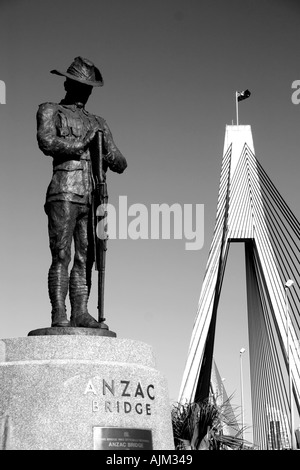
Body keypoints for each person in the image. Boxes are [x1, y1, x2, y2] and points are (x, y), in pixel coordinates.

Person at [36, 56, 127, 328]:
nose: (85, 91)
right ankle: (59, 313)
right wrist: (84, 143)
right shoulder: (50, 110)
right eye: (80, 85)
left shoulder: (99, 122)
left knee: (86, 257)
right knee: (61, 254)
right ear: (67, 83)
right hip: (63, 191)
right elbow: (47, 141)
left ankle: (80, 312)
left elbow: (120, 161)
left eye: (88, 87)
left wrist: (110, 154)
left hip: (92, 195)